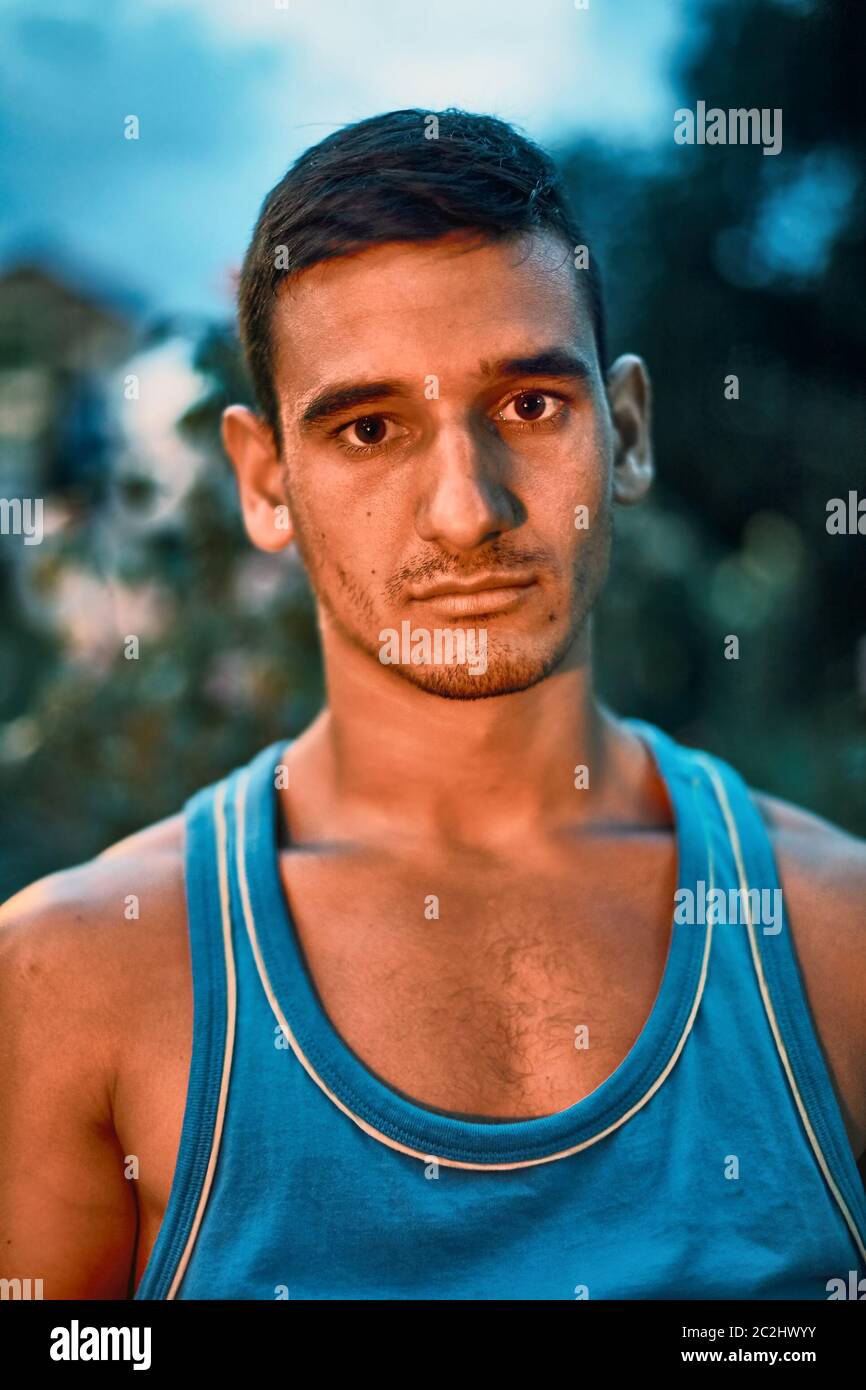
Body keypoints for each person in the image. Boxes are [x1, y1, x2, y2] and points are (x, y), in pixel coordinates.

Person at [1, 109, 864, 1302]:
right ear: (265, 481)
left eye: (526, 407)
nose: (468, 512)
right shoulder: (70, 981)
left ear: (624, 431)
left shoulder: (838, 945)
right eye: (368, 428)